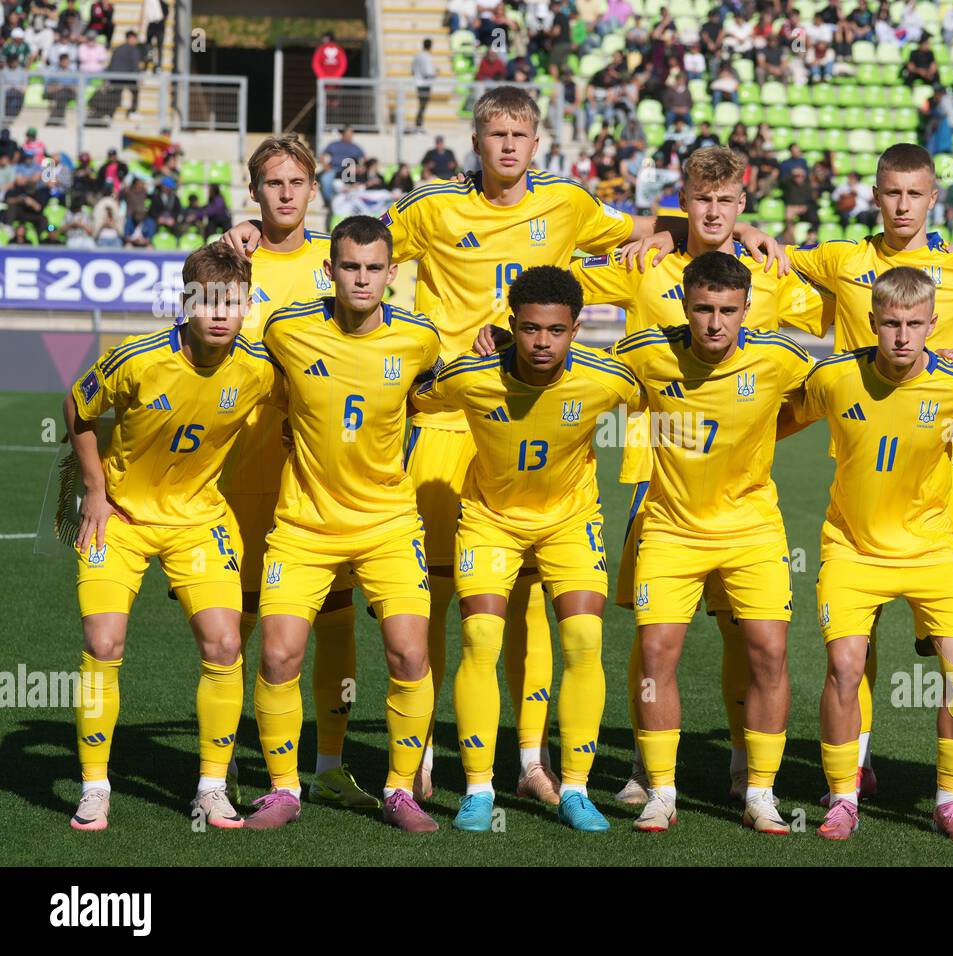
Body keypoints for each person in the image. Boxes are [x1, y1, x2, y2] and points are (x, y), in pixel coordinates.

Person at [223, 86, 782, 803]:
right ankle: (417, 751)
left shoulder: (569, 202)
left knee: (526, 599)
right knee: (426, 596)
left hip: (528, 417)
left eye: (521, 133)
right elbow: (355, 244)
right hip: (445, 419)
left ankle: (530, 756)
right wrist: (253, 225)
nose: (509, 145)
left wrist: (701, 230)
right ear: (477, 142)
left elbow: (654, 223)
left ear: (537, 141)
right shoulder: (431, 206)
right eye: (497, 134)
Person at [558, 147, 829, 804]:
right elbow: (556, 276)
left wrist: (777, 247)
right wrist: (656, 231)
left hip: (738, 481)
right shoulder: (644, 263)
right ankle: (644, 767)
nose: (713, 212)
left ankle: (743, 760)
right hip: (656, 472)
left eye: (726, 200)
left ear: (743, 203)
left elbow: (839, 316)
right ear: (683, 200)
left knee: (743, 627)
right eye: (700, 201)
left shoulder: (764, 274)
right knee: (655, 631)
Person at [785, 143, 953, 809]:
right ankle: (857, 763)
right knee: (857, 638)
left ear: (932, 198)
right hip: (866, 466)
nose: (901, 205)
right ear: (876, 192)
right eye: (890, 192)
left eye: (913, 194)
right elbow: (765, 261)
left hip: (947, 473)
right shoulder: (843, 260)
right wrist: (737, 229)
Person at [412, 267, 637, 833]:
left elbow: (670, 393)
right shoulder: (470, 375)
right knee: (480, 636)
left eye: (557, 331)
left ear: (576, 328)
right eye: (531, 329)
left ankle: (577, 789)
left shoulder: (605, 379)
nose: (543, 343)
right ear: (511, 324)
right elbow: (411, 394)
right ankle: (479, 788)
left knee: (584, 637)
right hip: (489, 520)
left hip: (569, 521)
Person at [64, 242, 280, 832]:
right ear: (186, 303)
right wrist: (96, 491)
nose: (219, 313)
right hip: (123, 522)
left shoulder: (259, 368)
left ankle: (211, 787)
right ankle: (94, 785)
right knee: (103, 644)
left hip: (200, 522)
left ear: (245, 307)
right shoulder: (136, 358)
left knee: (224, 647)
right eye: (208, 300)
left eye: (232, 302)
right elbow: (78, 409)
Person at [242, 216, 441, 833]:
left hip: (387, 521)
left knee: (410, 653)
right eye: (350, 267)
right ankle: (282, 790)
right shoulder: (288, 328)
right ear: (330, 270)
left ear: (391, 273)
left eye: (373, 269)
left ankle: (400, 790)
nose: (361, 278)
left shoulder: (418, 340)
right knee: (278, 656)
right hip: (303, 524)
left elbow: (443, 389)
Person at [781, 267, 953, 842]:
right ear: (871, 322)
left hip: (932, 548)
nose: (901, 335)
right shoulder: (835, 379)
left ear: (932, 325)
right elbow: (777, 422)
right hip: (852, 547)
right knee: (846, 666)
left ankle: (949, 799)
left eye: (914, 324)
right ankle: (844, 796)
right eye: (891, 323)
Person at [611, 253, 813, 834]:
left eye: (728, 310)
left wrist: (936, 357)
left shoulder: (778, 356)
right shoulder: (648, 352)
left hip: (752, 529)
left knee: (769, 654)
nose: (715, 323)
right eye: (703, 309)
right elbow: (577, 369)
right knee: (654, 655)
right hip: (670, 528)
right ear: (685, 305)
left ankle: (760, 792)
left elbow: (836, 385)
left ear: (747, 309)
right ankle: (661, 789)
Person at [411, 38, 436, 130]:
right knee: (422, 106)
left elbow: (412, 71)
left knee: (421, 105)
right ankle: (418, 125)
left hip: (418, 83)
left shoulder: (418, 55)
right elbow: (428, 72)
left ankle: (418, 125)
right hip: (425, 84)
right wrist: (436, 73)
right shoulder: (427, 57)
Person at [142, 0, 167, 72]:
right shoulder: (150, 3)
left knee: (159, 48)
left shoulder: (164, 5)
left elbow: (165, 17)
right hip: (152, 27)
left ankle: (159, 65)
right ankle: (148, 59)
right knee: (148, 45)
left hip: (160, 28)